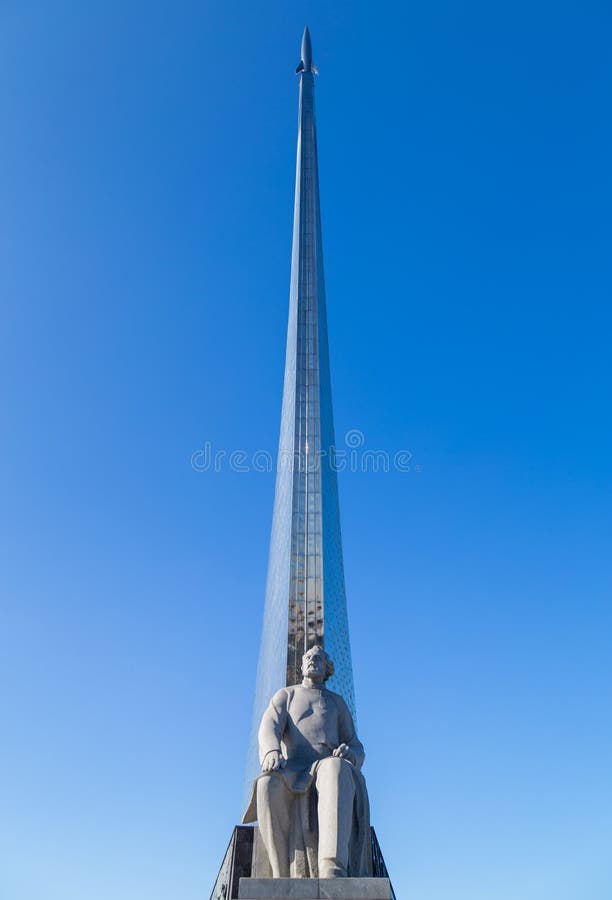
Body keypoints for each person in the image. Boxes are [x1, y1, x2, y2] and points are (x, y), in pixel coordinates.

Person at [243, 645, 372, 878]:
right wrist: (272, 750)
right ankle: (280, 874)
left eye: (318, 658)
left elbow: (355, 744)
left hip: (325, 765)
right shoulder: (286, 695)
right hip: (292, 768)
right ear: (302, 666)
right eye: (308, 657)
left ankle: (331, 867)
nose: (312, 660)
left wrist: (350, 754)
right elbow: (269, 726)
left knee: (336, 768)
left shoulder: (337, 703)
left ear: (326, 669)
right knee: (266, 784)